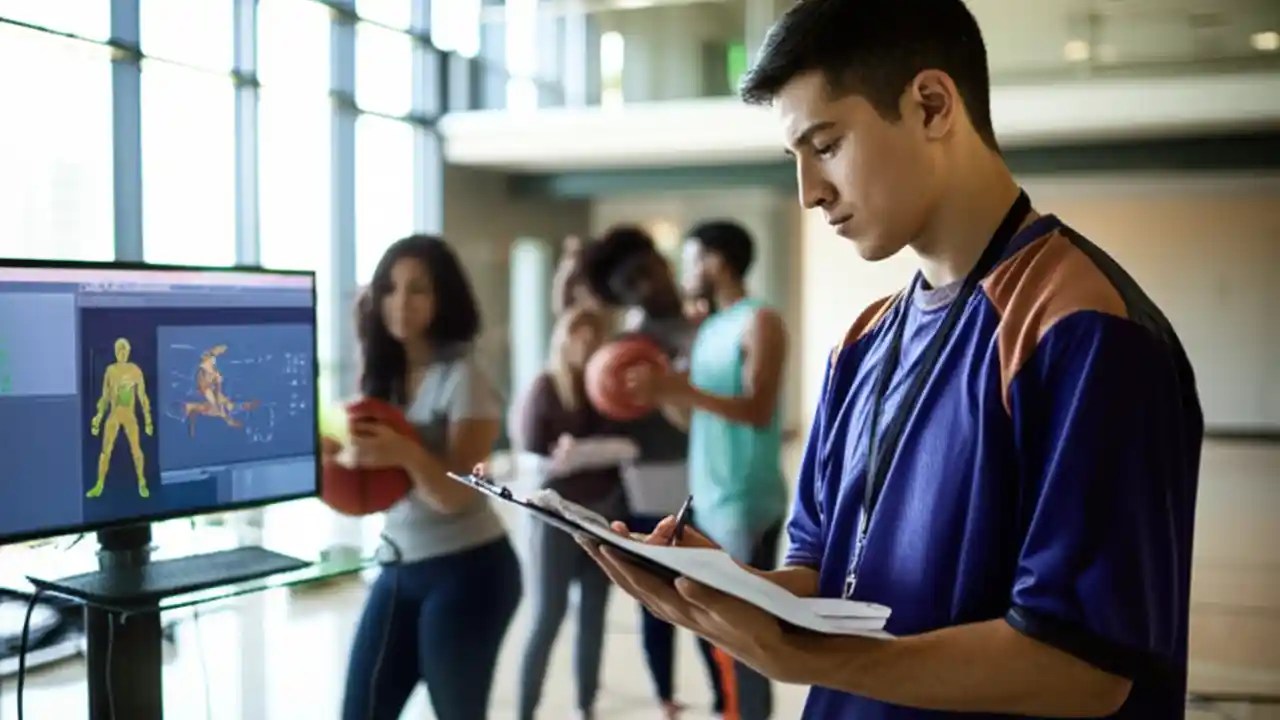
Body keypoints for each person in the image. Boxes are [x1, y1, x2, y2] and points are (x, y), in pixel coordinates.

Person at [579, 2, 1203, 720]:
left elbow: (1084, 668)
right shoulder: (865, 341)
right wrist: (727, 589)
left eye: (827, 145)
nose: (810, 193)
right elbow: (825, 579)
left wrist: (803, 657)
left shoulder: (1083, 329)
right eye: (797, 160)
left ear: (932, 105)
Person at [339, 235, 522, 720]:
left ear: (444, 297)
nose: (401, 302)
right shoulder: (380, 376)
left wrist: (401, 450)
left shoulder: (466, 378)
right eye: (391, 288)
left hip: (470, 570)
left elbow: (455, 497)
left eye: (418, 289)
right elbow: (373, 487)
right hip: (398, 566)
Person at [626, 219, 790, 720]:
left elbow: (757, 409)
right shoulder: (711, 327)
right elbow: (692, 414)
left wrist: (681, 389)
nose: (686, 271)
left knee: (745, 635)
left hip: (745, 497)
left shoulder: (760, 319)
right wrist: (661, 394)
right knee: (719, 632)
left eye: (692, 259)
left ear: (716, 261)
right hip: (708, 494)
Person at [580, 226, 727, 719]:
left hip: (711, 474)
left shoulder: (711, 324)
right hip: (648, 478)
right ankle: (666, 698)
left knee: (712, 591)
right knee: (660, 597)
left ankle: (726, 699)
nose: (648, 286)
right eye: (632, 285)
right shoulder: (622, 349)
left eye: (648, 272)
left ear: (662, 263)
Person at [515, 306, 634, 720]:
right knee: (547, 615)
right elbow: (531, 460)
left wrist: (579, 453)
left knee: (594, 616)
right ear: (562, 339)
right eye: (576, 335)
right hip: (555, 518)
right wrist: (579, 457)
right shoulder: (545, 388)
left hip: (602, 515)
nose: (584, 344)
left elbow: (628, 447)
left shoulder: (609, 390)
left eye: (593, 336)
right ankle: (524, 712)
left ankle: (586, 707)